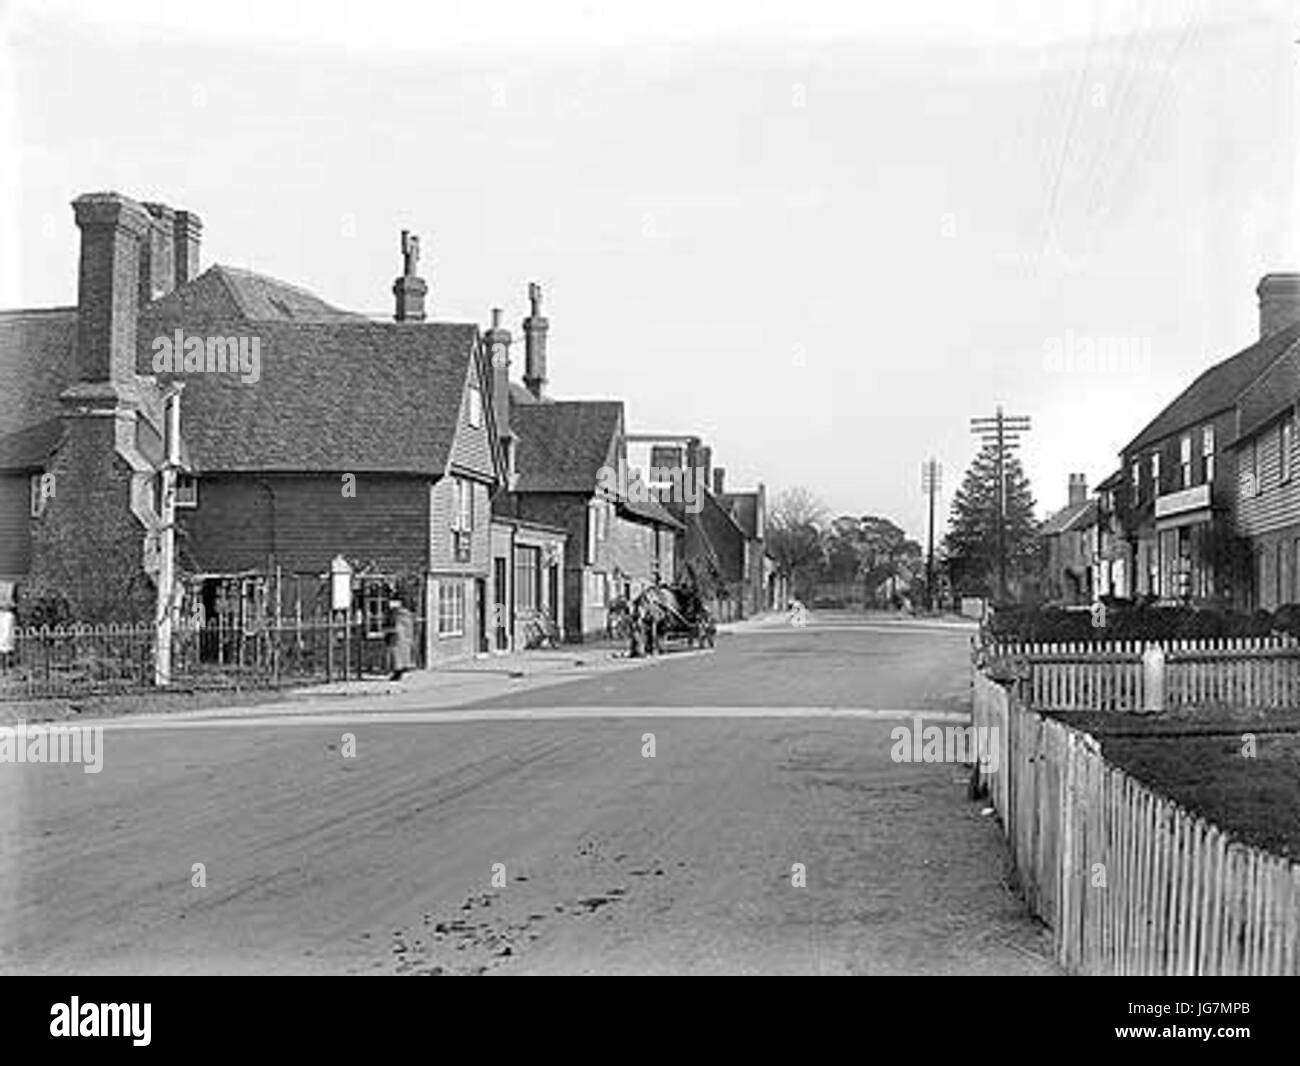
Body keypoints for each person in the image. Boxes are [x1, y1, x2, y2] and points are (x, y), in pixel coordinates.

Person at [387, 597, 414, 681]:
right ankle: (401, 670)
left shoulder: (397, 615)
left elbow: (396, 628)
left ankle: (397, 673)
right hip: (404, 639)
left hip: (396, 639)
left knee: (396, 658)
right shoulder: (407, 615)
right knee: (402, 657)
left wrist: (388, 632)